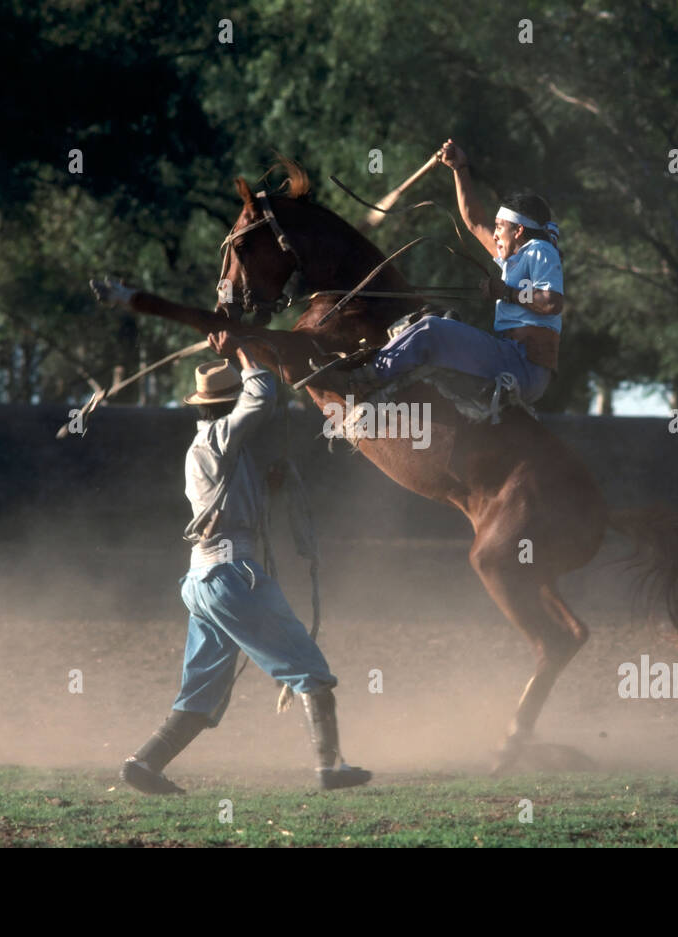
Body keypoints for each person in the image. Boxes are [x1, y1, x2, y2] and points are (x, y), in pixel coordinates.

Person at [120, 331, 372, 793]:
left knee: (201, 694)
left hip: (202, 580)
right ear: (222, 407)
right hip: (232, 576)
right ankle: (329, 770)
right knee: (310, 672)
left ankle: (144, 764)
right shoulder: (219, 438)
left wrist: (270, 487)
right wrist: (244, 350)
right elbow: (262, 395)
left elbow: (233, 508)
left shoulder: (207, 451)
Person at [326, 138, 565, 405]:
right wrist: (459, 169)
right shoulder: (513, 255)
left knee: (432, 330)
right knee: (426, 320)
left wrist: (506, 292)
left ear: (518, 231)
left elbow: (552, 302)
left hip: (523, 367)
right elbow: (474, 222)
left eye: (500, 227)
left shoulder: (540, 250)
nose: (494, 234)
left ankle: (360, 380)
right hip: (509, 357)